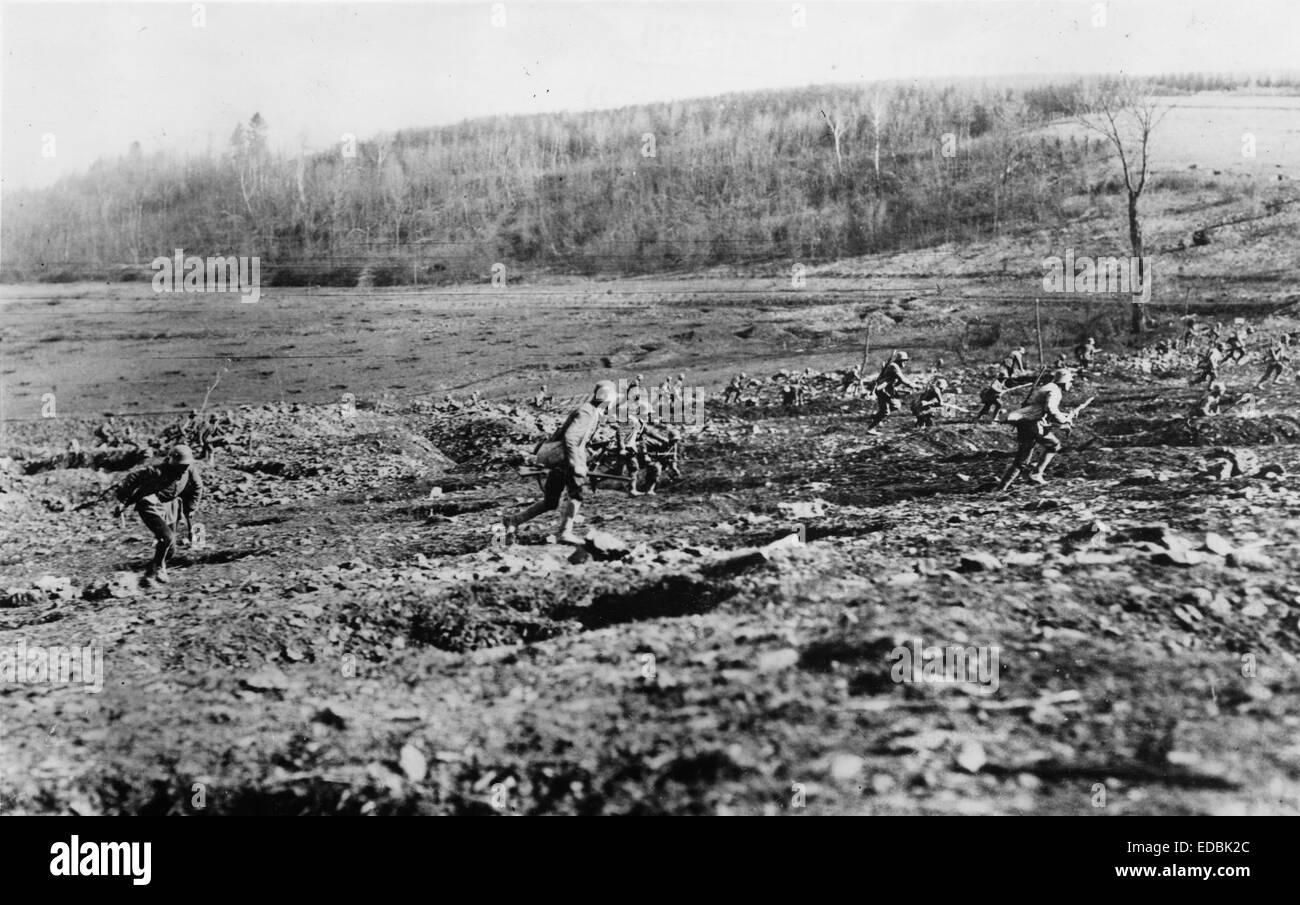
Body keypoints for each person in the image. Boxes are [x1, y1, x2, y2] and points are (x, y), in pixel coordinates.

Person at [502, 381, 616, 544]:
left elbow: (578, 438)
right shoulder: (587, 413)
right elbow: (570, 438)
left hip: (562, 460)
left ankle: (513, 520)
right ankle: (564, 533)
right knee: (576, 496)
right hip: (567, 461)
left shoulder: (592, 412)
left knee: (551, 501)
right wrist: (576, 464)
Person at [113, 445, 203, 584]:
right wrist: (123, 502)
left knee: (172, 548)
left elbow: (198, 486)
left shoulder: (189, 469)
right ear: (173, 464)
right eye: (181, 466)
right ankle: (160, 568)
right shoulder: (157, 471)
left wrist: (191, 507)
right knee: (167, 537)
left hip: (171, 506)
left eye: (186, 465)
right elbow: (132, 479)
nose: (184, 469)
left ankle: (151, 572)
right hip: (150, 505)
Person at [995, 368, 1077, 491]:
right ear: (1064, 381)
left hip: (1026, 424)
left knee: (1022, 459)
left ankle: (1001, 488)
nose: (1070, 385)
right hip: (1033, 425)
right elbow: (1050, 409)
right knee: (1053, 445)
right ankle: (1036, 474)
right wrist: (1064, 420)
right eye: (1070, 382)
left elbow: (1041, 409)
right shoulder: (1055, 390)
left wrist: (1065, 415)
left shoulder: (1048, 387)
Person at [866, 351, 919, 432]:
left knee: (891, 408)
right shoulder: (894, 367)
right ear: (900, 361)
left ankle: (876, 417)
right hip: (882, 390)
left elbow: (896, 381)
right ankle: (871, 428)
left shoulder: (894, 366)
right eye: (904, 360)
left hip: (885, 390)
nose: (905, 363)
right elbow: (902, 379)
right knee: (890, 409)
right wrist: (913, 386)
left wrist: (903, 390)